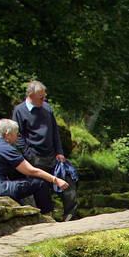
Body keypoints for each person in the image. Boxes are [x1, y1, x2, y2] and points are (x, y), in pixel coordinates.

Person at [0, 118, 69, 216]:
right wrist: (55, 180)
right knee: (39, 183)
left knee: (17, 177)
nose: (18, 137)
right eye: (17, 134)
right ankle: (47, 217)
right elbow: (32, 171)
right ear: (7, 134)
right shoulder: (5, 148)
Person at [14, 80, 78, 219]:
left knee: (68, 181)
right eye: (41, 97)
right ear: (30, 95)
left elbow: (55, 132)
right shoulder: (20, 111)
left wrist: (60, 151)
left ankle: (70, 215)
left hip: (53, 155)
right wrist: (28, 154)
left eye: (44, 96)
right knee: (41, 187)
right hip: (34, 156)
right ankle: (47, 216)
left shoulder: (47, 108)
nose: (44, 99)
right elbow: (17, 135)